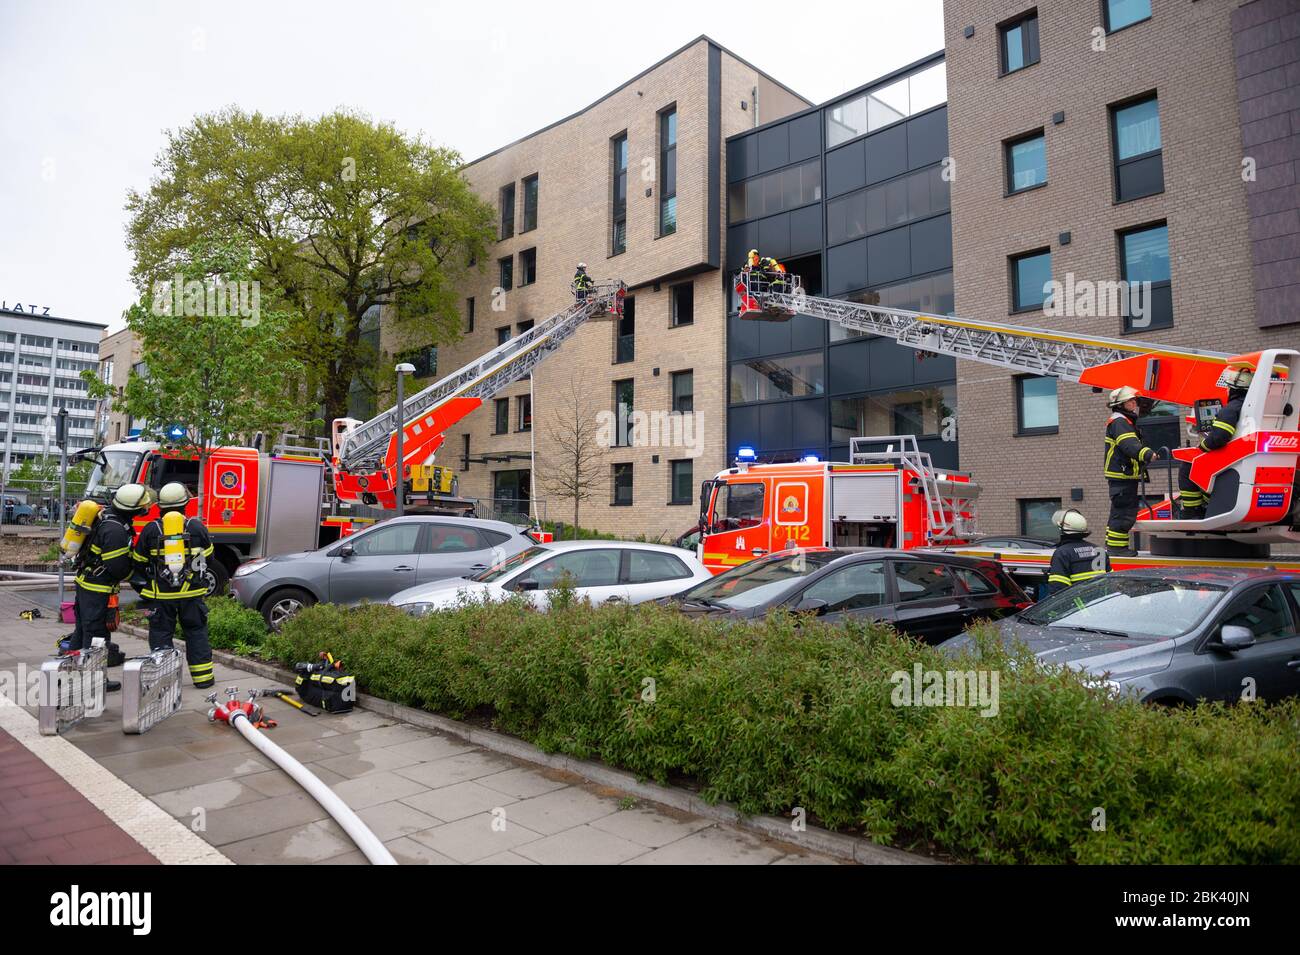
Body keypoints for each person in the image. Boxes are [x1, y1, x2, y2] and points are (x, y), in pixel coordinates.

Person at [132, 482, 215, 689]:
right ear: (185, 505)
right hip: (192, 595)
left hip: (160, 597)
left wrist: (147, 589)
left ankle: (165, 682)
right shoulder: (196, 527)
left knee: (161, 635)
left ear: (159, 506)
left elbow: (138, 563)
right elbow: (209, 557)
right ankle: (203, 679)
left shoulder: (151, 530)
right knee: (196, 633)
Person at [69, 483, 151, 691]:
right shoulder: (115, 530)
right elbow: (118, 567)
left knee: (83, 631)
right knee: (96, 636)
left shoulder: (109, 518)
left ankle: (74, 675)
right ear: (132, 508)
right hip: (97, 590)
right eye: (142, 506)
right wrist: (139, 578)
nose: (145, 508)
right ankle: (93, 684)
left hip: (88, 585)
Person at [1177, 367, 1252, 519]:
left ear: (1233, 389)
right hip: (1244, 458)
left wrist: (1202, 446)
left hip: (1231, 459)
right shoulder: (1251, 406)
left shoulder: (1231, 409)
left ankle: (1193, 511)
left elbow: (1219, 436)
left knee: (1188, 465)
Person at [1103, 386, 1160, 556]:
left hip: (1124, 475)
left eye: (1134, 401)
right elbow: (1129, 445)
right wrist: (1147, 454)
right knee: (1123, 513)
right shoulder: (1119, 422)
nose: (1134, 404)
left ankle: (1115, 547)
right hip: (1122, 475)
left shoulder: (1124, 421)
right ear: (1121, 405)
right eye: (1130, 401)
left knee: (1122, 512)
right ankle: (1116, 549)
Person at [1046, 509, 1108, 596]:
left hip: (1077, 607)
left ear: (1062, 529)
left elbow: (1058, 590)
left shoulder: (1063, 553)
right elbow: (1110, 581)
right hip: (1099, 604)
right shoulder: (1099, 550)